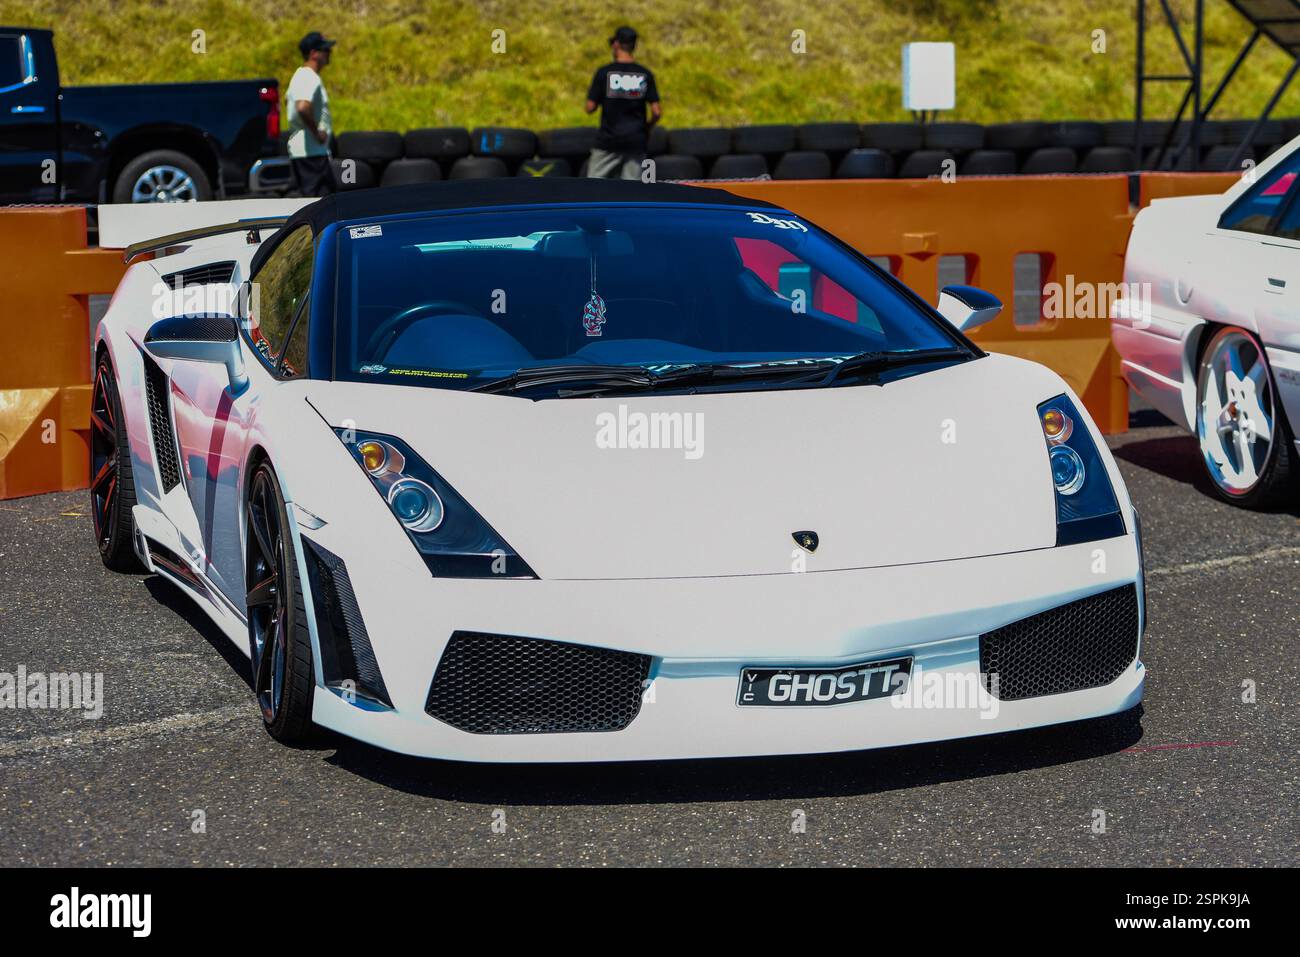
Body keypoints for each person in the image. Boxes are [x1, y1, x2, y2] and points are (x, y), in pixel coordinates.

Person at [584, 26, 661, 180]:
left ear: (616, 45)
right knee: (633, 194)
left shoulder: (604, 72)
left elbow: (590, 108)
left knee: (592, 189)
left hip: (607, 142)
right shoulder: (644, 74)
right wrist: (648, 127)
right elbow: (657, 112)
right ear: (634, 46)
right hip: (635, 142)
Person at [287, 31, 337, 197]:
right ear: (313, 53)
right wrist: (317, 134)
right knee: (321, 205)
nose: (329, 53)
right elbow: (302, 107)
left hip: (306, 152)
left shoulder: (299, 75)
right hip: (312, 153)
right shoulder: (309, 77)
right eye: (326, 50)